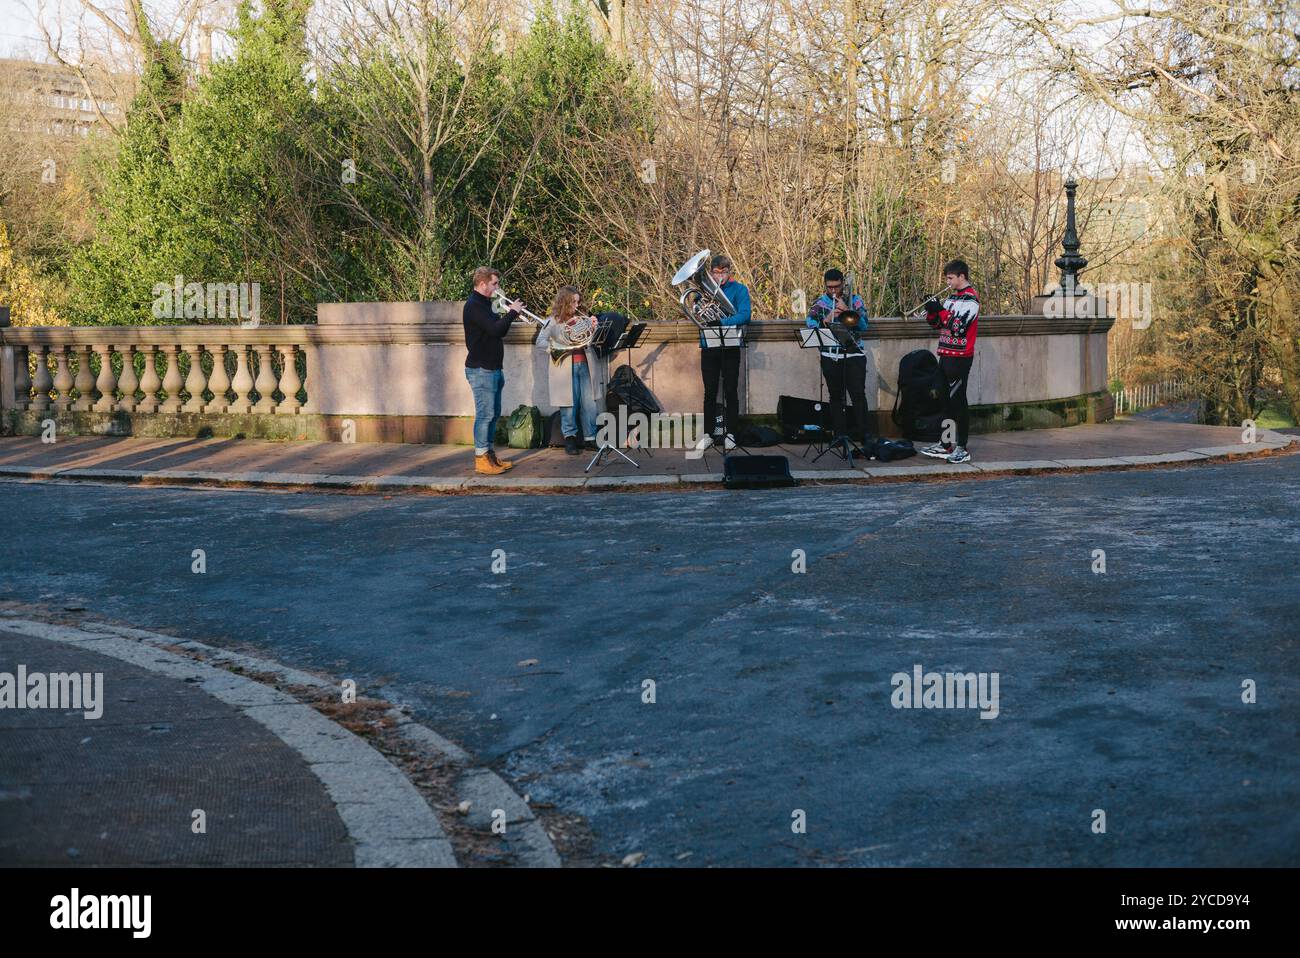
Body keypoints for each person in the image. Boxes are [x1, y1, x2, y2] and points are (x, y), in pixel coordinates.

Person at [463, 266, 522, 475]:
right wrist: (513, 311)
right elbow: (496, 329)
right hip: (481, 369)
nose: (498, 288)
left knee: (493, 414)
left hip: (493, 368)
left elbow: (498, 331)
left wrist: (507, 314)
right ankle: (481, 458)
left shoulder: (486, 305)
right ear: (482, 284)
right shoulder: (474, 305)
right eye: (494, 284)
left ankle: (489, 455)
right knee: (485, 415)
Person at [920, 259, 980, 464]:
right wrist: (932, 310)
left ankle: (962, 447)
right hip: (945, 355)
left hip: (960, 358)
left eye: (950, 278)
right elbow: (938, 325)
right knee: (944, 401)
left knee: (958, 402)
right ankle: (945, 444)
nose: (948, 282)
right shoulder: (952, 299)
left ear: (961, 276)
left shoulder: (972, 300)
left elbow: (958, 327)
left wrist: (942, 310)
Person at [693, 253, 752, 451]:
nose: (719, 276)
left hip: (730, 346)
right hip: (709, 346)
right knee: (709, 392)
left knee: (730, 391)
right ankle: (708, 433)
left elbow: (745, 315)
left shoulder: (740, 290)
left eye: (723, 273)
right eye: (716, 272)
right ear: (710, 272)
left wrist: (722, 322)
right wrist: (698, 305)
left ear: (729, 272)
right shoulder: (704, 291)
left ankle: (732, 433)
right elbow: (698, 313)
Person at [537, 286, 605, 455]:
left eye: (577, 301)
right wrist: (559, 346)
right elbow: (540, 342)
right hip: (564, 368)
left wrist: (594, 328)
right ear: (564, 302)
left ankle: (591, 439)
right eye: (573, 301)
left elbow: (590, 341)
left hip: (586, 365)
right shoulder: (553, 321)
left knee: (589, 404)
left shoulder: (582, 318)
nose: (576, 305)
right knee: (568, 405)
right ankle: (570, 439)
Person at [806, 268, 871, 444]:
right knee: (836, 396)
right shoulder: (819, 303)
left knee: (858, 394)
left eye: (836, 287)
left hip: (854, 354)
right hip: (830, 355)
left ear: (842, 284)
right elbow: (810, 324)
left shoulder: (855, 301)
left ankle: (864, 435)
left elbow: (864, 327)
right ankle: (839, 435)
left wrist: (847, 310)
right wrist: (826, 320)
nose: (833, 291)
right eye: (829, 288)